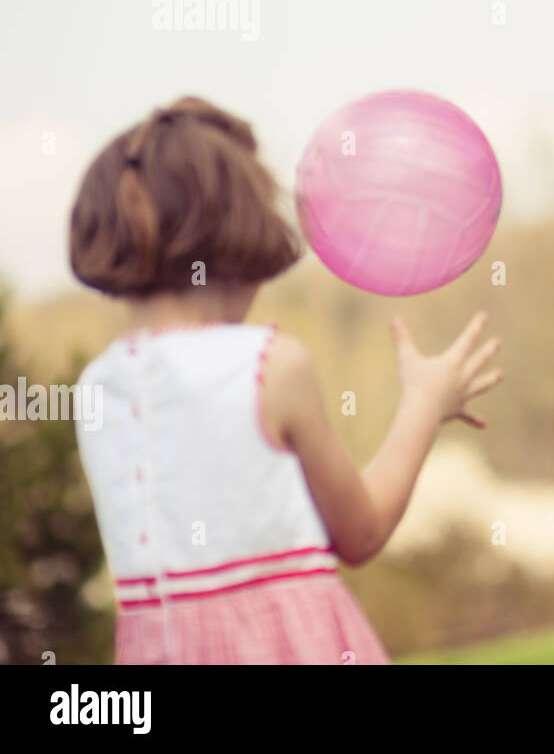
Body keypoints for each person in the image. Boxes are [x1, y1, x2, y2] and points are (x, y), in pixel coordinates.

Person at [68, 96, 502, 664]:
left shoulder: (96, 390)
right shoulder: (272, 366)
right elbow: (361, 532)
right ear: (242, 234)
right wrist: (424, 402)